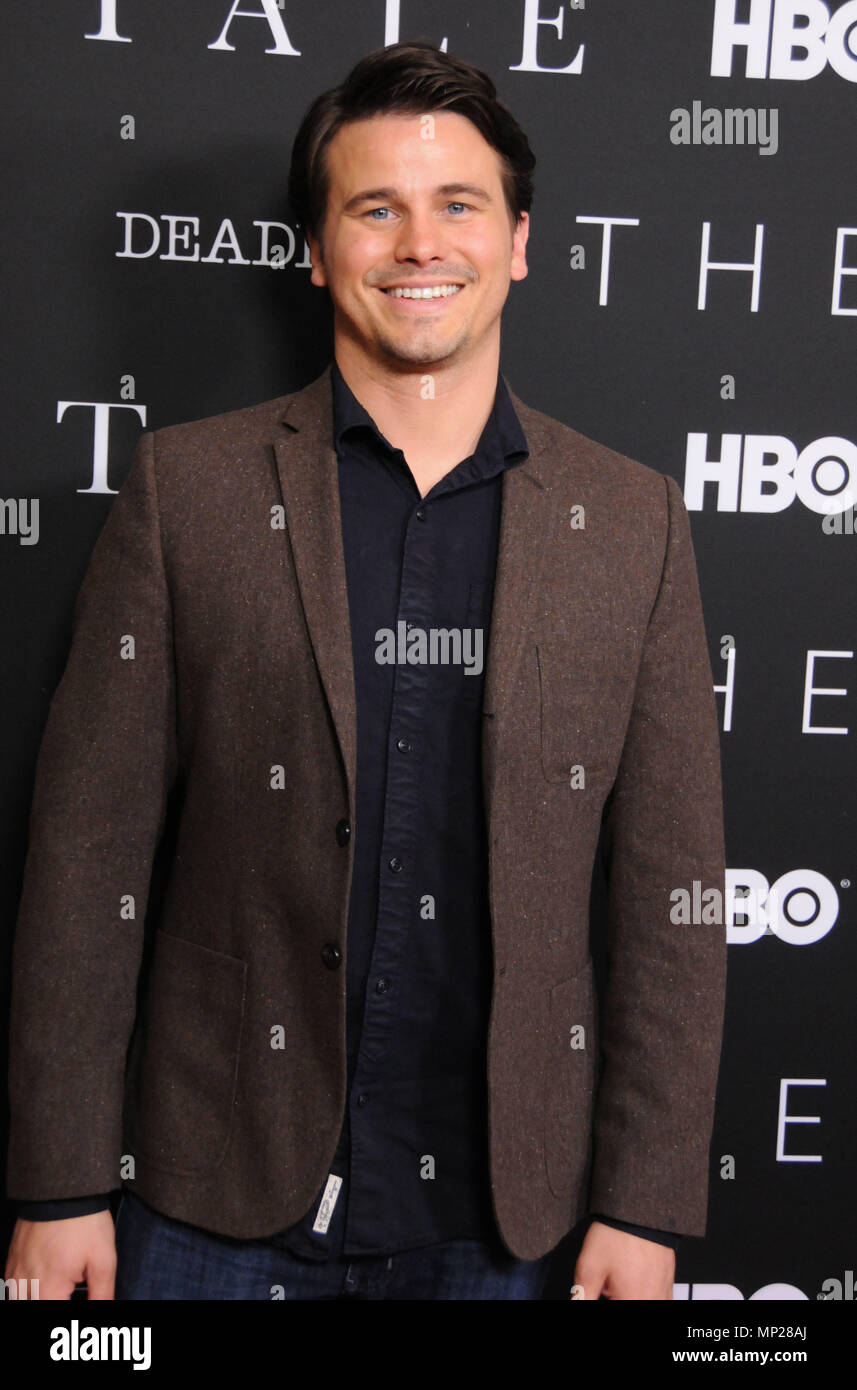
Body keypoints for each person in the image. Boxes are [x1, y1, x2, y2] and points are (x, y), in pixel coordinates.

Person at [4, 39, 727, 1301]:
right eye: (372, 208)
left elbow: (673, 898)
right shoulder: (187, 494)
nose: (417, 245)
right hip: (204, 1211)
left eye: (457, 204)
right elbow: (86, 862)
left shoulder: (633, 521)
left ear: (516, 238)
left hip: (517, 1231)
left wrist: (646, 1203)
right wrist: (60, 1185)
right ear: (314, 245)